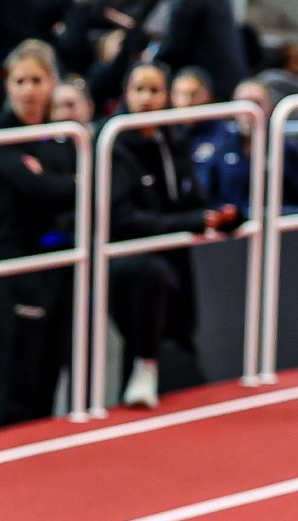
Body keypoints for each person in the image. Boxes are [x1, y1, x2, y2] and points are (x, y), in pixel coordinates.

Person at [104, 61, 238, 409]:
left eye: (154, 90)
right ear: (126, 95)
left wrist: (221, 217)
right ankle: (144, 368)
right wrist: (190, 220)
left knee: (183, 327)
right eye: (139, 90)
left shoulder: (174, 140)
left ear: (166, 97)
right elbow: (123, 219)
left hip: (173, 251)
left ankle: (176, 383)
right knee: (152, 274)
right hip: (124, 259)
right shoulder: (113, 144)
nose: (146, 99)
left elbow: (191, 200)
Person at [0, 40, 80, 426]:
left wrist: (54, 180)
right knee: (16, 371)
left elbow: (75, 188)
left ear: (52, 82)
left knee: (50, 366)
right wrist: (62, 182)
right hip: (14, 265)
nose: (29, 89)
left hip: (58, 261)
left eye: (37, 79)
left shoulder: (64, 133)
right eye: (20, 80)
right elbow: (36, 188)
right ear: (8, 85)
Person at [190, 78, 298, 213]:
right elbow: (210, 201)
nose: (249, 111)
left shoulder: (287, 151)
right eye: (243, 103)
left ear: (269, 107)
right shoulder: (218, 150)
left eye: (256, 103)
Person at [152, 0, 246, 115]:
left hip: (209, 88)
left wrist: (150, 65)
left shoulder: (188, 3)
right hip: (230, 84)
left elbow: (174, 48)